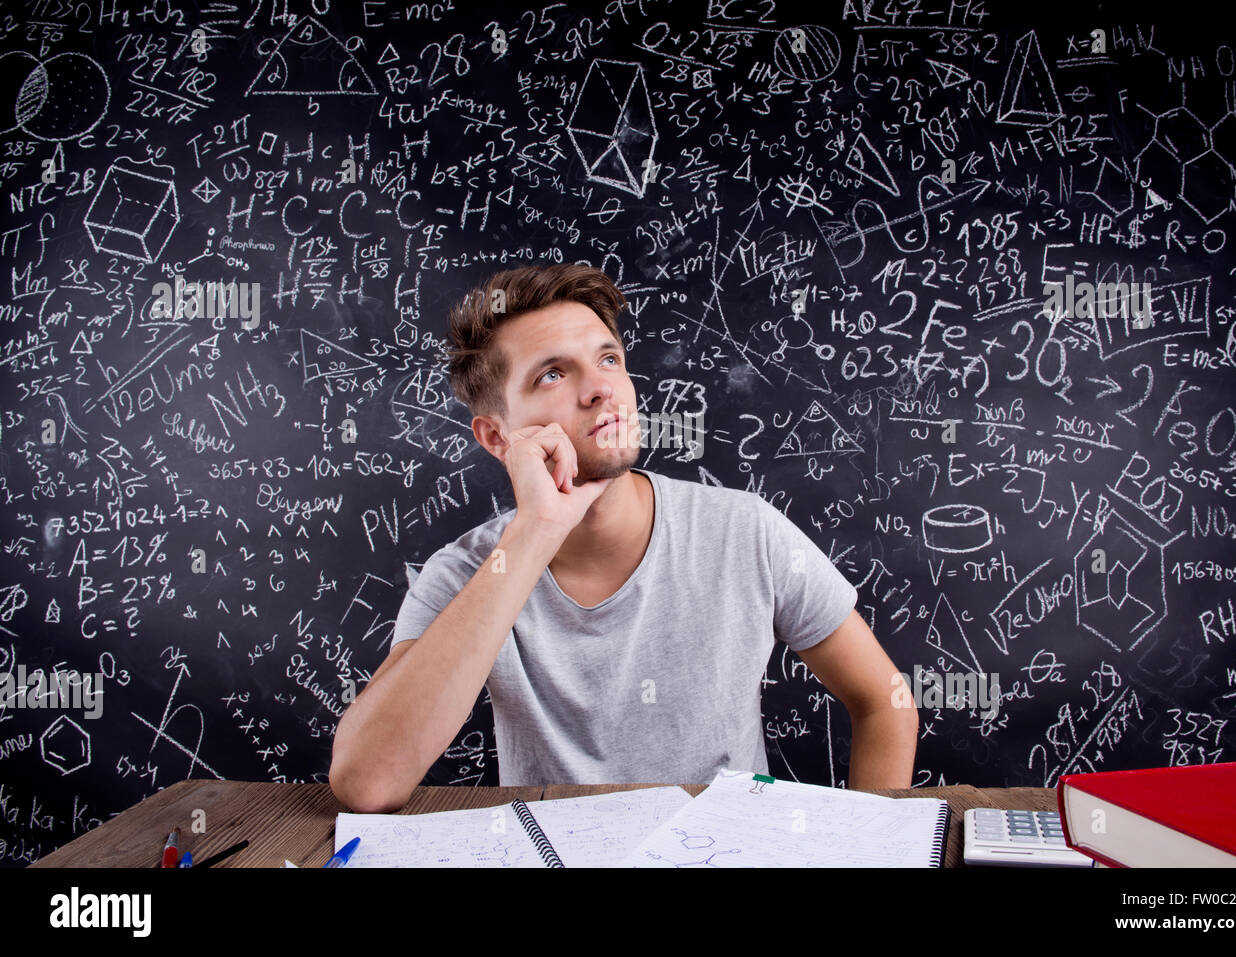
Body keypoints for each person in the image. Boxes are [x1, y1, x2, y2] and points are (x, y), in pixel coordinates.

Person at [329, 263, 917, 812]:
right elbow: (367, 784)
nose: (600, 389)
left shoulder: (745, 531)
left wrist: (869, 844)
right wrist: (537, 530)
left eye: (608, 360)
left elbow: (885, 703)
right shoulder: (465, 574)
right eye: (553, 374)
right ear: (496, 436)